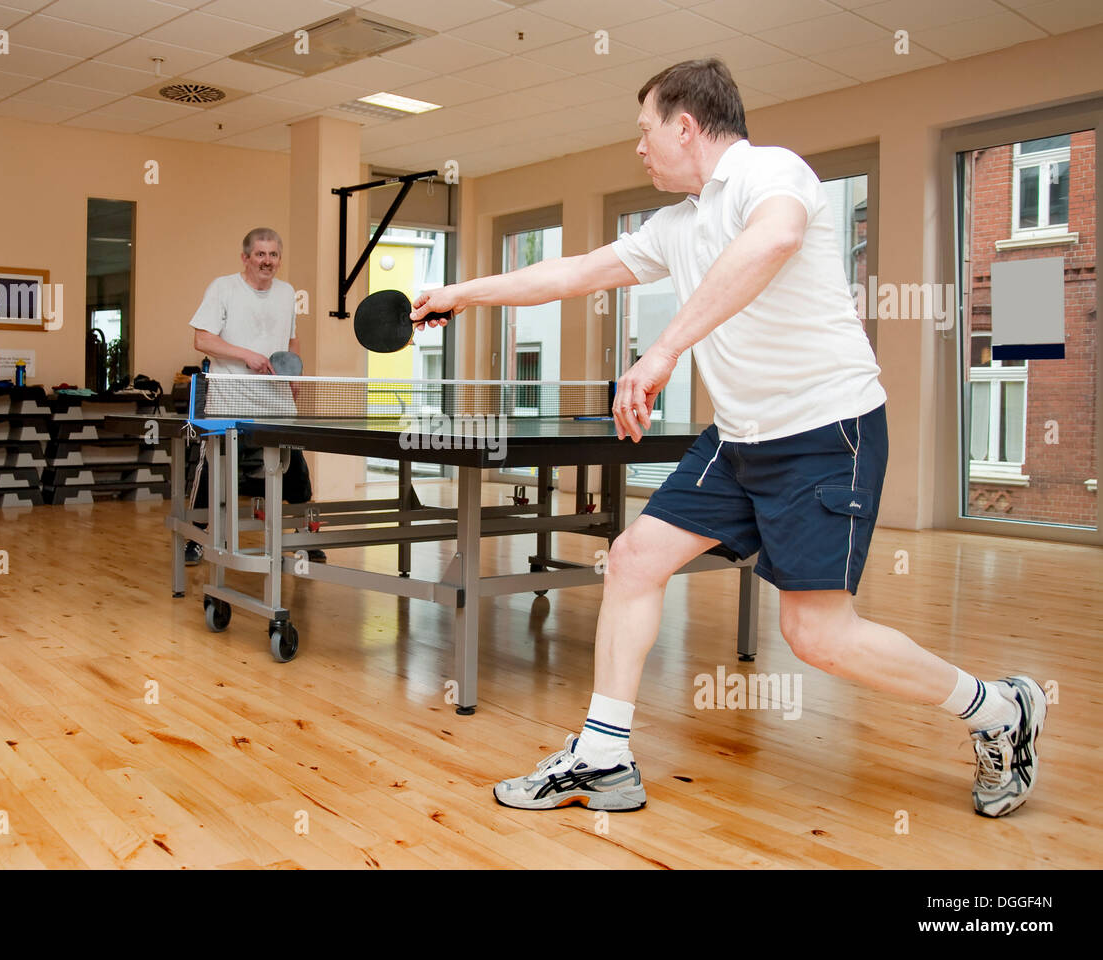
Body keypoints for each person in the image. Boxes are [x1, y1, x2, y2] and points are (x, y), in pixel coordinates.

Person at [411, 59, 1046, 818]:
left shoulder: (770, 174)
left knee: (817, 636)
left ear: (685, 125)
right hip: (738, 438)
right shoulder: (677, 225)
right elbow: (573, 272)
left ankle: (998, 708)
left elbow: (773, 241)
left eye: (645, 131)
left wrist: (664, 349)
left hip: (824, 431)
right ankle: (604, 756)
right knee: (634, 557)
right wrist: (459, 292)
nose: (639, 148)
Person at [186, 227, 322, 563]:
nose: (267, 261)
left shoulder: (287, 292)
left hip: (276, 402)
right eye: (260, 254)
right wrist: (246, 355)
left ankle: (305, 536)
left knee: (294, 471)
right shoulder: (223, 288)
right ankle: (196, 537)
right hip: (230, 401)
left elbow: (291, 338)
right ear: (245, 258)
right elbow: (202, 340)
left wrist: (295, 371)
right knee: (215, 473)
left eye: (273, 254)